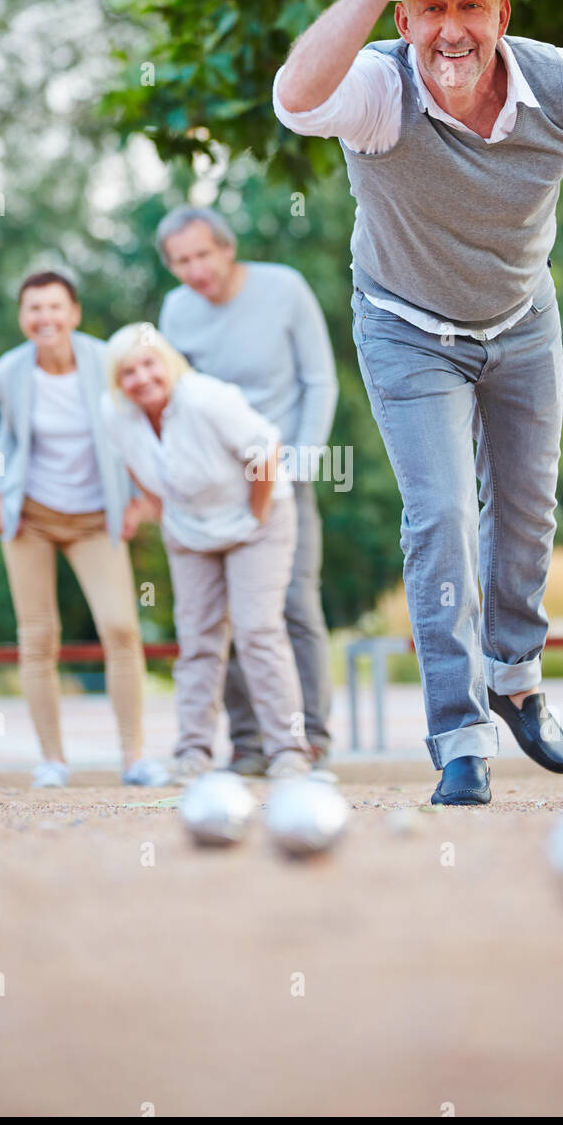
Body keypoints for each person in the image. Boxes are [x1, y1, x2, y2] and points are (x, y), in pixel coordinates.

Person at [273, 0, 563, 806]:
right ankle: (459, 735)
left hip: (521, 319)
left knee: (527, 511)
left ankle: (515, 676)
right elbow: (293, 95)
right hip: (406, 326)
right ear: (404, 20)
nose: (451, 30)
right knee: (440, 520)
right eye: (430, 9)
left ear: (502, 13)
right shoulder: (379, 91)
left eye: (470, 6)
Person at [156, 205, 338, 777]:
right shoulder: (176, 312)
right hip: (214, 486)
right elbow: (172, 397)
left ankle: (307, 737)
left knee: (290, 606)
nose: (194, 270)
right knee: (222, 615)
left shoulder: (284, 289)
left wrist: (303, 462)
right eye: (180, 261)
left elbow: (319, 379)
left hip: (282, 478)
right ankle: (249, 741)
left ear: (226, 248)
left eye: (202, 254)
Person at [101, 322, 313, 782]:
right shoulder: (115, 414)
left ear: (167, 363)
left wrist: (254, 520)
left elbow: (266, 450)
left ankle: (289, 752)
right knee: (196, 639)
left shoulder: (204, 397)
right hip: (190, 528)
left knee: (257, 631)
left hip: (257, 517)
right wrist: (164, 514)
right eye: (128, 372)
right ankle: (192, 753)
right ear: (117, 383)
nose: (141, 378)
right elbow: (134, 464)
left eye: (148, 364)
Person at [0, 271, 163, 788]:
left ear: (75, 313)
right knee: (38, 636)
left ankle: (133, 758)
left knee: (121, 629)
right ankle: (53, 761)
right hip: (32, 516)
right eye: (34, 309)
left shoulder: (102, 361)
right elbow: (7, 436)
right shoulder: (8, 371)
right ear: (23, 318)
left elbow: (129, 430)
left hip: (93, 518)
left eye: (55, 307)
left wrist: (136, 499)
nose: (45, 318)